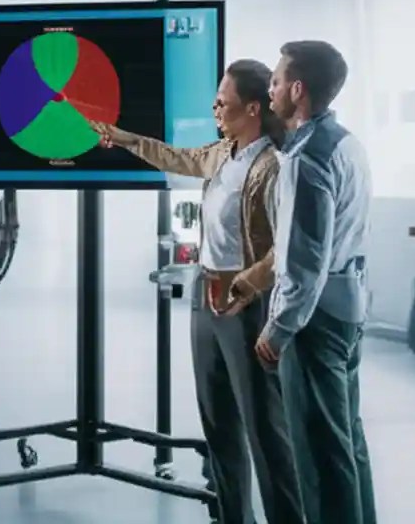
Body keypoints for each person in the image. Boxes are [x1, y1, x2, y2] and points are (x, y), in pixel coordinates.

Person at [91, 60, 305, 524]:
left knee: (264, 428)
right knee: (218, 424)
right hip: (205, 293)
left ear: (252, 108)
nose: (215, 110)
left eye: (223, 103)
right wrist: (124, 138)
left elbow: (286, 250)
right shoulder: (224, 152)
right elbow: (177, 158)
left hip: (246, 301)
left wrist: (248, 285)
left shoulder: (273, 166)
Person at [254, 40, 376, 524]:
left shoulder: (307, 159)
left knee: (320, 455)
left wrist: (279, 327)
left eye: (276, 81)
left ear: (297, 90)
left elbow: (303, 260)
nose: (270, 90)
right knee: (347, 442)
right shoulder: (346, 143)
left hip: (315, 320)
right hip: (348, 308)